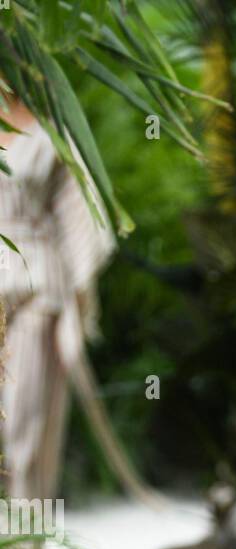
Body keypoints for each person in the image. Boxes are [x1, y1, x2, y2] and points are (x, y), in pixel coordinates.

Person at [0, 93, 116, 501]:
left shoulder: (53, 131)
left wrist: (77, 307)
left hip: (38, 293)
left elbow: (80, 217)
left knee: (25, 432)